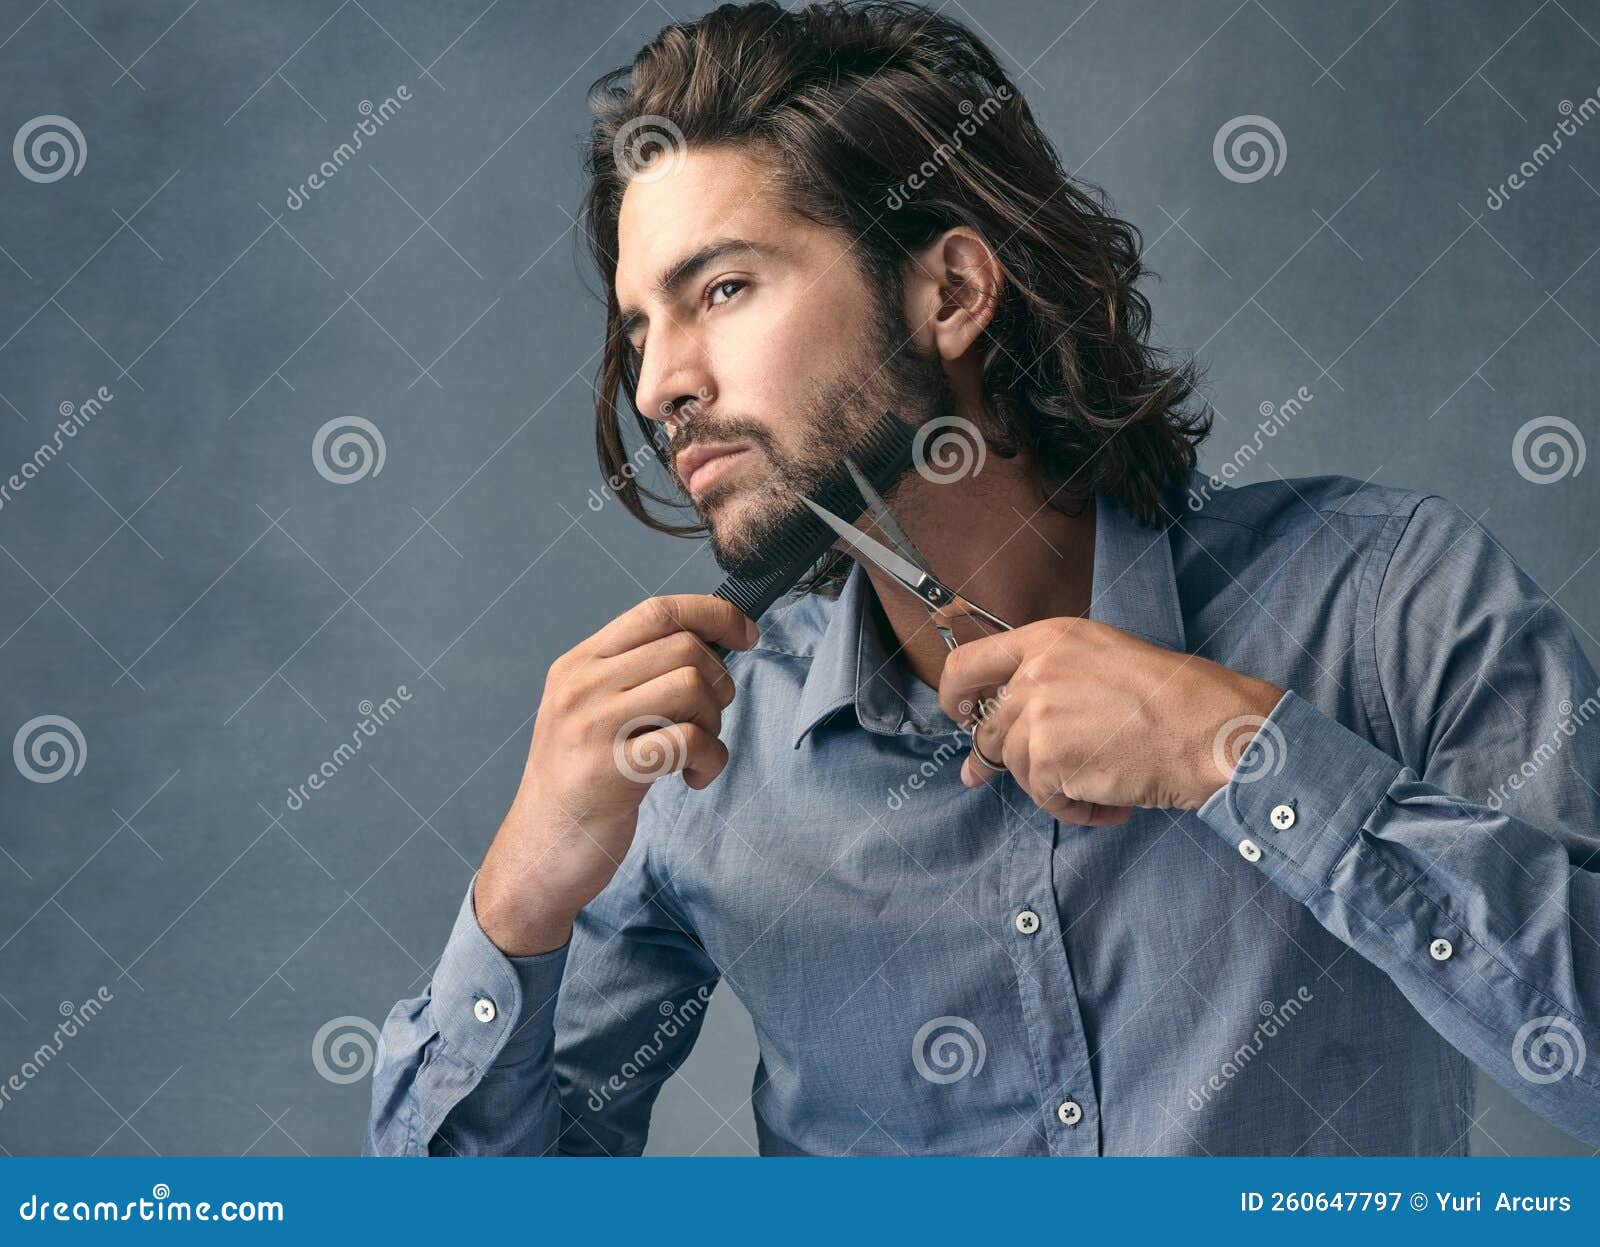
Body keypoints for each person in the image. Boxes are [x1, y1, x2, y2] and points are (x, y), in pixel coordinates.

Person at [364, 0, 1600, 1155]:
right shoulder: (704, 764)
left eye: (723, 289)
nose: (656, 386)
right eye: (640, 328)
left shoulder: (1388, 605)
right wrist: (518, 896)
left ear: (950, 291)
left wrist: (1238, 749)